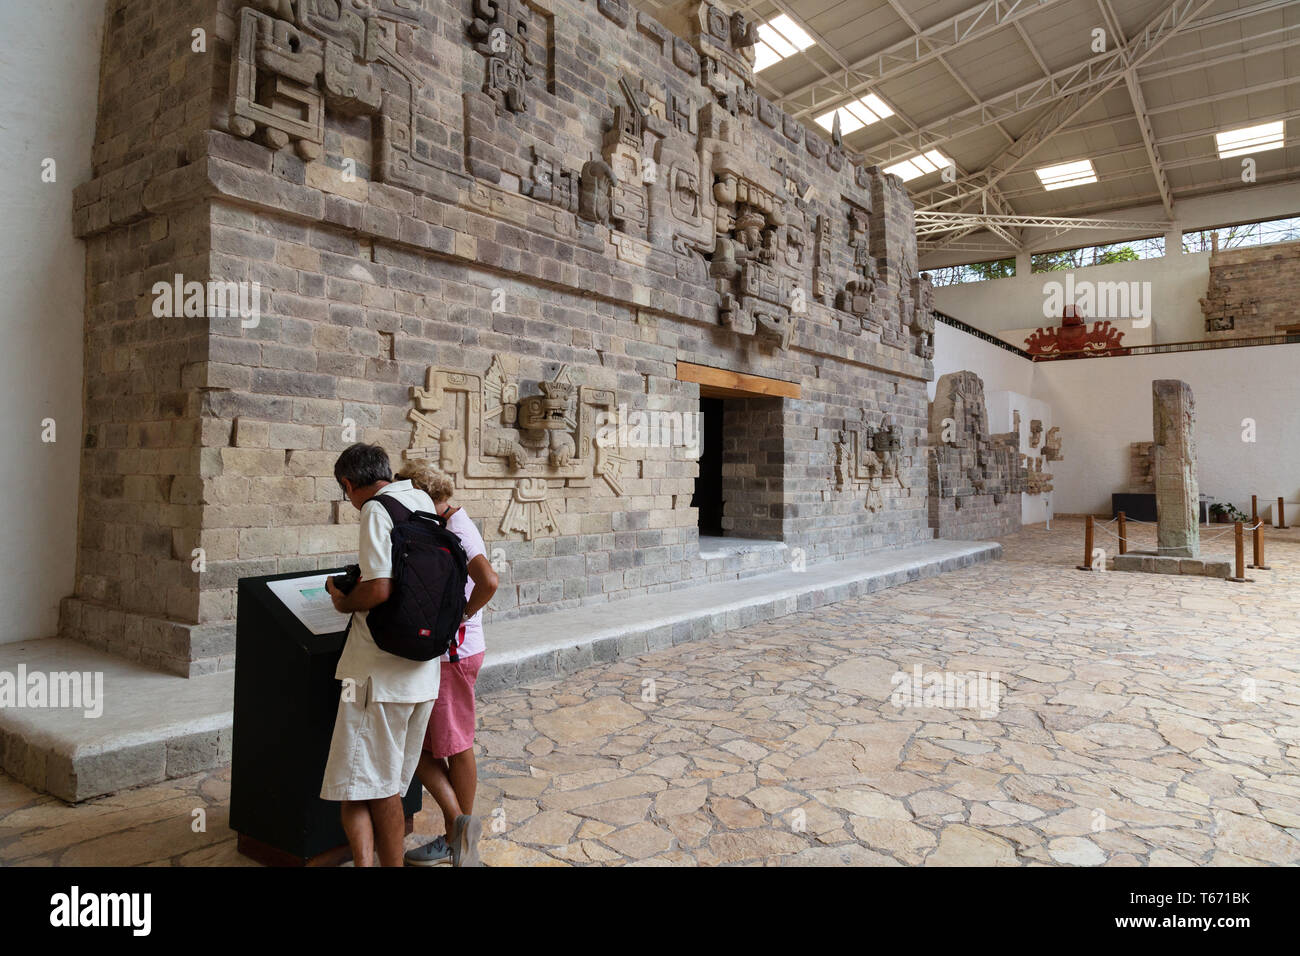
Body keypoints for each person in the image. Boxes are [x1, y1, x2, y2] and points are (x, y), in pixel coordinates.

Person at [319, 443, 441, 867]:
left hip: (377, 675)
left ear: (349, 484)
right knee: (383, 781)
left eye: (345, 492)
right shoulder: (420, 499)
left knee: (370, 784)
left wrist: (341, 599)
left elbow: (380, 588)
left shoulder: (375, 509)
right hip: (423, 670)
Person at [396, 460, 498, 867]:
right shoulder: (446, 523)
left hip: (453, 653)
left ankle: (458, 833)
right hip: (451, 652)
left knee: (453, 744)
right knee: (427, 741)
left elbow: (488, 581)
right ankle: (458, 828)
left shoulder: (456, 528)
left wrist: (460, 616)